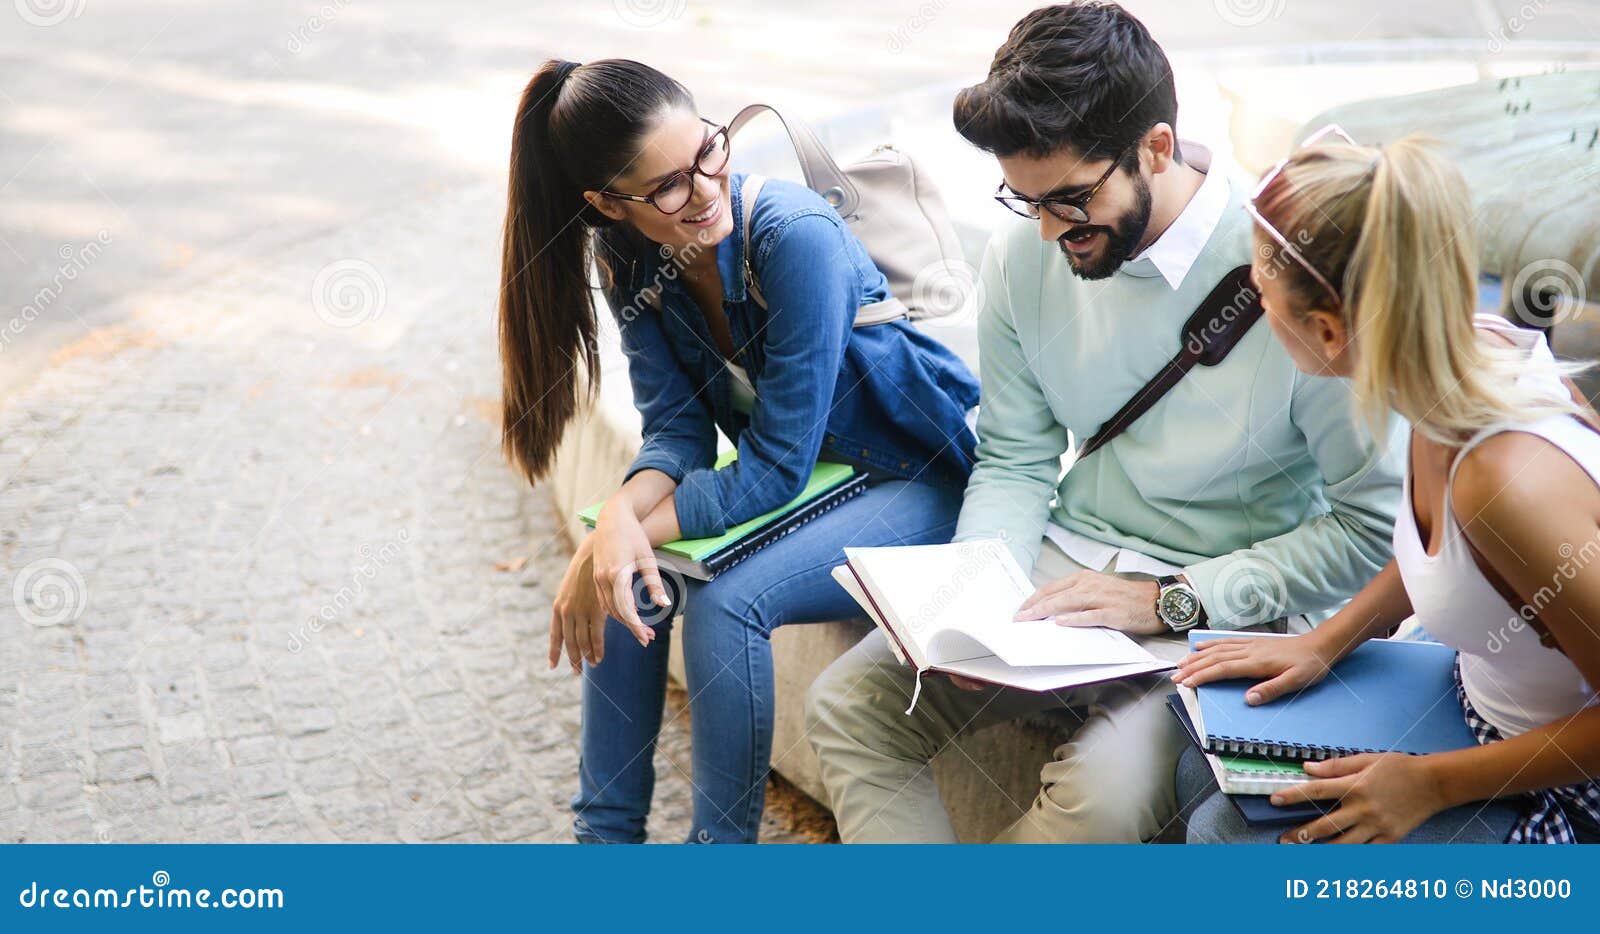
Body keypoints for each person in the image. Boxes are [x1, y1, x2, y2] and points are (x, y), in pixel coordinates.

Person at [804, 1, 1404, 844]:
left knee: (1103, 800)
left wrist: (1174, 600)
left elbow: (1371, 528)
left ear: (1156, 148)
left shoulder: (1290, 275)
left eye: (1072, 200)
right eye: (1025, 201)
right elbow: (1014, 456)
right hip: (1063, 570)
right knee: (848, 703)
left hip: (1224, 607)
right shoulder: (1025, 252)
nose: (1049, 230)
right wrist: (979, 601)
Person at [497, 58, 980, 843]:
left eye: (709, 152)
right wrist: (620, 517)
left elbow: (776, 464)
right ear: (606, 206)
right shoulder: (627, 256)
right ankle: (604, 842)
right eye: (668, 189)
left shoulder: (796, 238)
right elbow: (676, 429)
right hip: (814, 482)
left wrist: (612, 543)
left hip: (912, 476)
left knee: (721, 602)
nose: (705, 189)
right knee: (636, 583)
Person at [1175, 128, 1600, 845]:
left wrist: (1428, 786)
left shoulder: (1503, 482)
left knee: (1224, 835)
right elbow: (1457, 561)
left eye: (1261, 293)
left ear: (1330, 330)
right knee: (1202, 769)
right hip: (1478, 692)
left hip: (1560, 784)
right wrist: (1329, 639)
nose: (1253, 303)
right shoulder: (1462, 355)